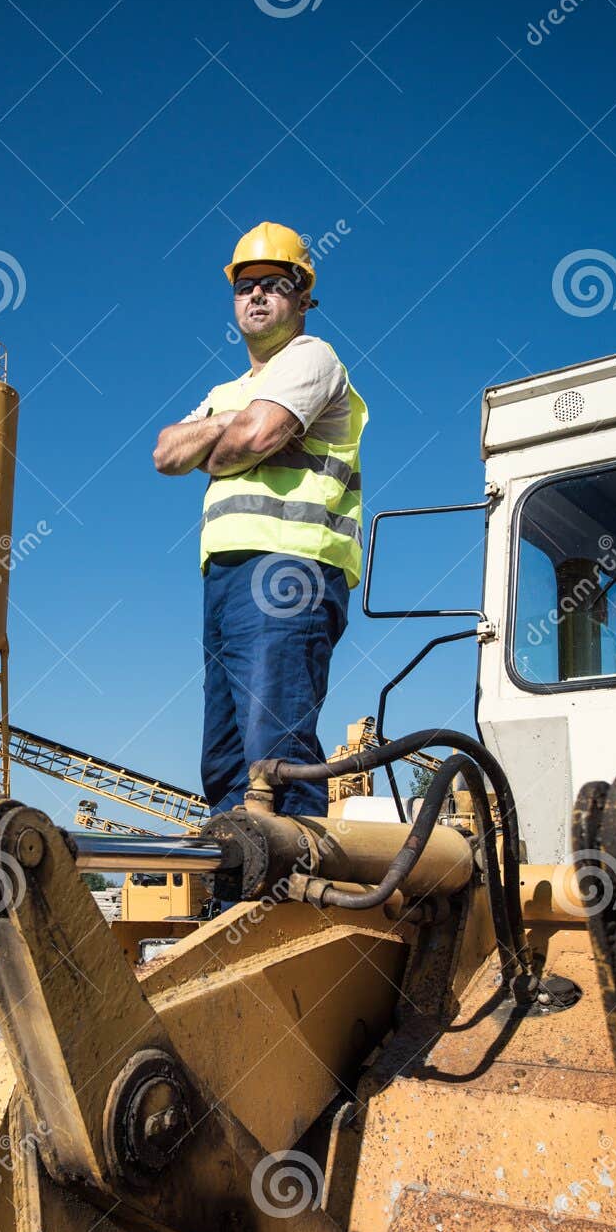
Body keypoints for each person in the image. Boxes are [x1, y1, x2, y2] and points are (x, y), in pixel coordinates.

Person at [153, 221, 367, 817]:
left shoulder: (312, 358)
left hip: (290, 569)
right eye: (245, 285)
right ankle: (239, 870)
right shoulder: (229, 389)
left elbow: (254, 437)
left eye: (275, 283)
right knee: (224, 760)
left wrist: (217, 439)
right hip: (225, 579)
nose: (257, 294)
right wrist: (234, 422)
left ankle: (295, 873)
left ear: (304, 297)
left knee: (275, 750)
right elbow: (166, 454)